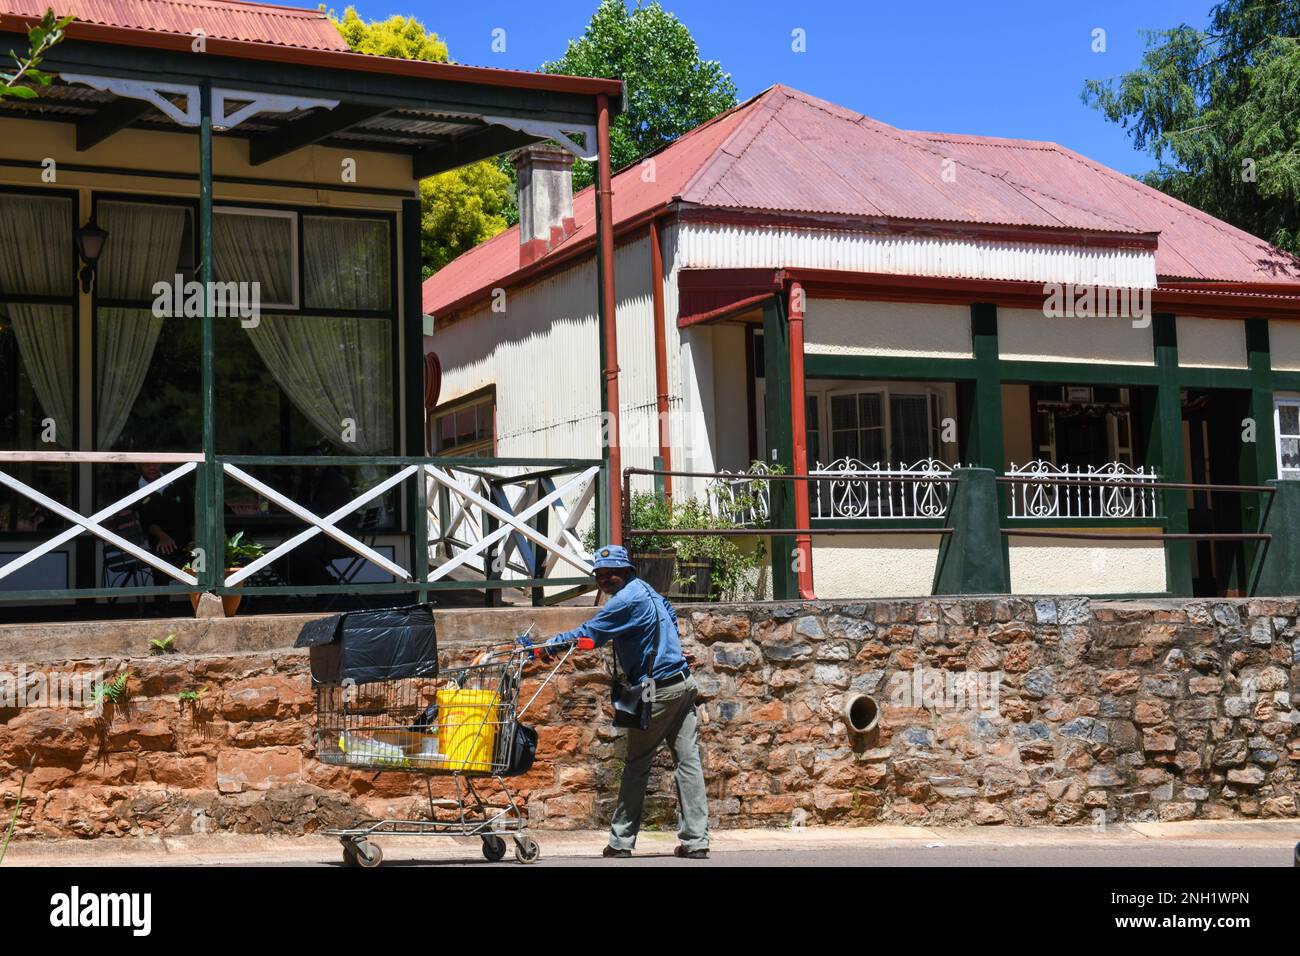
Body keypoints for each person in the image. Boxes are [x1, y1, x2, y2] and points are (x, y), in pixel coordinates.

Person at [535, 544, 709, 860]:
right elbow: (668, 614)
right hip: (683, 684)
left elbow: (589, 633)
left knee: (636, 766)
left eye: (611, 572)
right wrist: (673, 653)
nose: (605, 578)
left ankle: (621, 841)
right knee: (688, 763)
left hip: (657, 691)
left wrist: (548, 646)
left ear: (626, 571)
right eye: (600, 574)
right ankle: (696, 841)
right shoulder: (647, 591)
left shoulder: (625, 601)